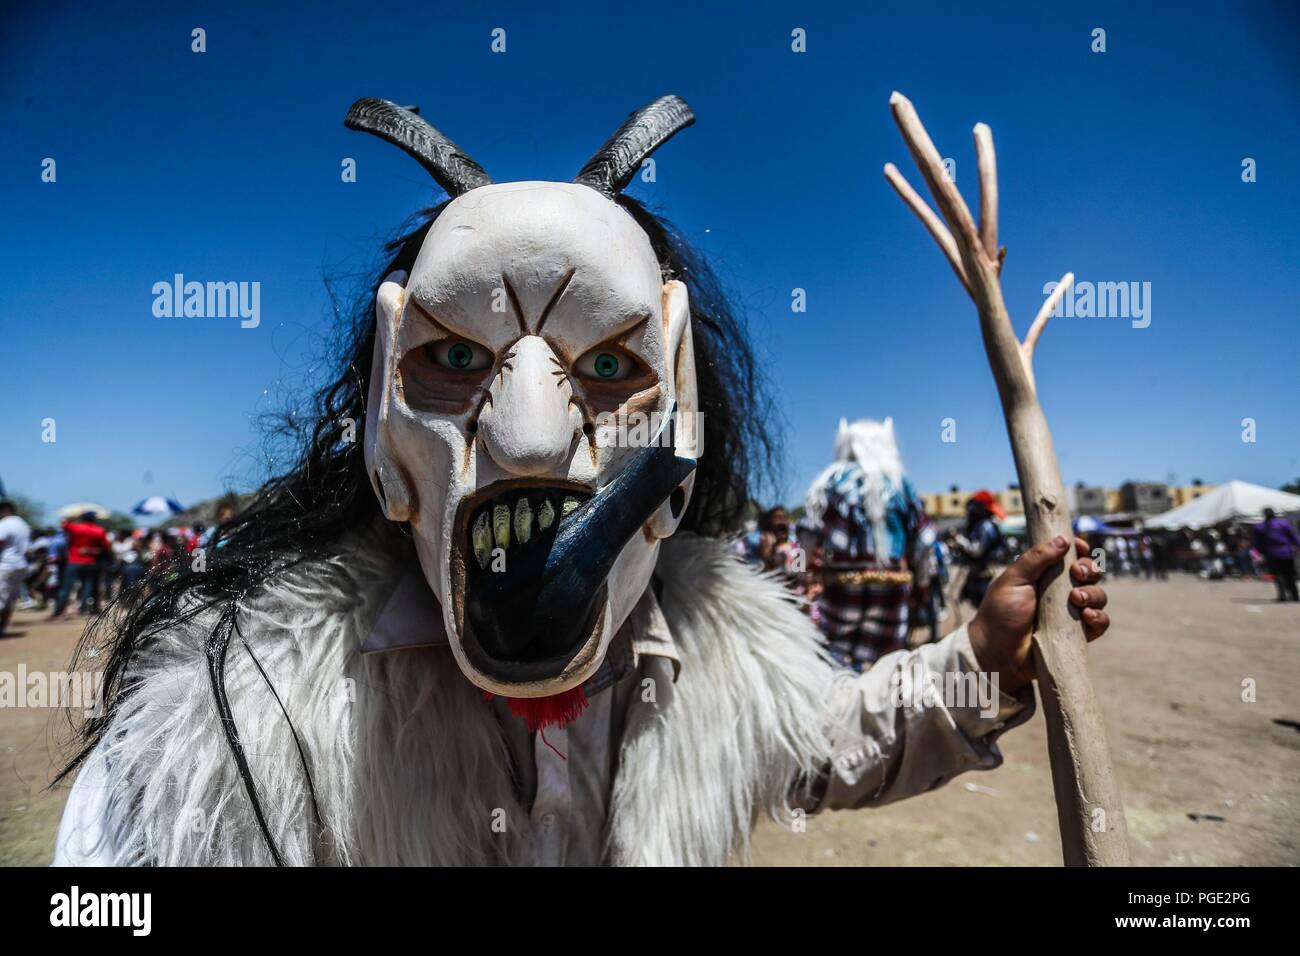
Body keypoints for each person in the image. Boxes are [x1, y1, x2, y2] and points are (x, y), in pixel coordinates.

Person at [53, 95, 1111, 866]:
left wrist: (981, 657)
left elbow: (828, 745)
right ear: (384, 425)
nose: (525, 435)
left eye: (609, 366)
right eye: (456, 358)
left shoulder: (712, 654)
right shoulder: (241, 722)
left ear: (681, 416)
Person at [802, 418, 930, 671]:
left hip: (840, 588)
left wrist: (799, 573)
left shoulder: (831, 482)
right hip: (893, 588)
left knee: (834, 660)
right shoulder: (900, 484)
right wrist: (922, 584)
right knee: (888, 666)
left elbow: (807, 535)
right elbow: (924, 542)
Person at [52, 511, 109, 618]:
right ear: (94, 519)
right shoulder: (99, 530)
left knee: (66, 587)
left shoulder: (75, 527)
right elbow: (105, 548)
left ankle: (59, 610)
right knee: (87, 586)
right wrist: (91, 550)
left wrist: (72, 517)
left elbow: (63, 524)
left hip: (74, 560)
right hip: (91, 562)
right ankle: (84, 609)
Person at [955, 490, 1005, 608]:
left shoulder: (985, 526)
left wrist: (960, 541)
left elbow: (977, 551)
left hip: (986, 577)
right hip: (979, 575)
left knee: (987, 612)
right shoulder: (981, 525)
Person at [1252, 508, 1300, 602]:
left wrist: (1259, 552)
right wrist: (1298, 546)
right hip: (1286, 553)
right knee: (1289, 574)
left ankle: (1282, 596)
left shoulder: (1259, 527)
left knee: (1278, 575)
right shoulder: (1283, 523)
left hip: (1271, 554)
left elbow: (1257, 543)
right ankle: (1295, 596)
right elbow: (1293, 536)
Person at [0, 499, 32, 637]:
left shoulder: (5, 524)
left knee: (1, 599)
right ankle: (2, 629)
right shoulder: (24, 524)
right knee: (10, 600)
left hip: (6, 564)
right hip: (21, 564)